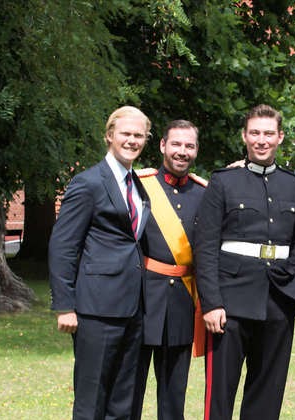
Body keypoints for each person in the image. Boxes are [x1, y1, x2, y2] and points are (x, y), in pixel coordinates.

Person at [194, 104, 295, 420]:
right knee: (220, 393)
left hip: (278, 301)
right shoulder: (224, 182)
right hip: (230, 302)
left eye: (269, 133)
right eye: (255, 133)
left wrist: (291, 277)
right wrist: (212, 302)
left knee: (268, 393)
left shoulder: (293, 184)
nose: (262, 140)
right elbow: (206, 246)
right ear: (244, 136)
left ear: (280, 137)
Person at [49, 106, 152, 419]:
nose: (132, 141)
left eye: (139, 136)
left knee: (125, 400)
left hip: (134, 308)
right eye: (126, 134)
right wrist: (65, 306)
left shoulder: (139, 185)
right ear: (109, 136)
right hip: (96, 310)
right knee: (92, 398)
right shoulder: (88, 183)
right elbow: (63, 246)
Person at [132, 120, 207, 420]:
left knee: (173, 398)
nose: (182, 151)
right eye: (176, 144)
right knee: (129, 392)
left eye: (189, 146)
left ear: (196, 150)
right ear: (162, 145)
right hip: (141, 300)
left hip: (181, 305)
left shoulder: (205, 192)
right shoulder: (140, 184)